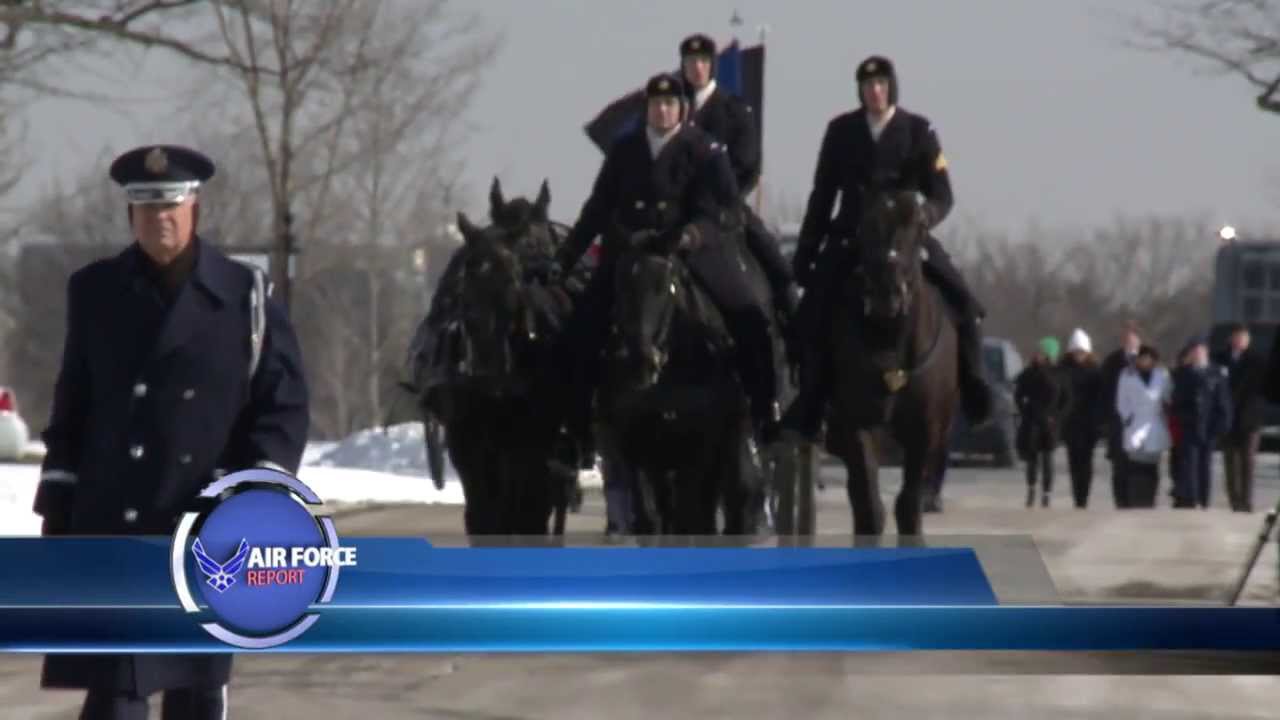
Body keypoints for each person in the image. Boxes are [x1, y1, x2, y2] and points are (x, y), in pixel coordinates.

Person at [31, 145, 311, 720]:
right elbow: (73, 404)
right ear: (129, 215)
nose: (159, 216)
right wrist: (57, 506)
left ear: (195, 209)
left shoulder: (245, 296)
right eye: (145, 204)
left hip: (205, 531)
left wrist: (254, 498)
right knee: (114, 698)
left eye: (171, 204)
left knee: (195, 693)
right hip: (113, 527)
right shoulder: (95, 291)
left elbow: (282, 409)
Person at [553, 72, 782, 451]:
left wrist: (693, 235)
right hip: (633, 256)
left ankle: (763, 410)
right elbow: (597, 209)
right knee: (582, 326)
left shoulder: (705, 150)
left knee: (749, 316)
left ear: (683, 109)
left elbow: (726, 211)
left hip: (697, 252)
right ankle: (576, 427)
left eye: (670, 104)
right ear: (646, 109)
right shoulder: (626, 150)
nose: (662, 111)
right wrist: (565, 258)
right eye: (656, 104)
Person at [780, 55, 992, 441]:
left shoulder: (918, 130)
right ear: (859, 90)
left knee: (963, 301)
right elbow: (823, 194)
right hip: (852, 238)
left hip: (906, 237)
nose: (874, 91)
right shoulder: (841, 131)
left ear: (891, 87)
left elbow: (943, 194)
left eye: (881, 84)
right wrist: (807, 252)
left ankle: (975, 387)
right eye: (867, 85)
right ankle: (811, 401)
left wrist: (925, 214)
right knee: (811, 314)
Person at [677, 33, 801, 331]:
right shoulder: (669, 109)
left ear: (712, 66)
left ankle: (794, 331)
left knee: (777, 265)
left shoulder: (734, 111)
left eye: (703, 61)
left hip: (723, 210)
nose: (697, 68)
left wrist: (722, 202)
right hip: (675, 212)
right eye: (691, 61)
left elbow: (748, 167)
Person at [1170, 336, 1232, 509]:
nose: (1198, 354)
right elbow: (1177, 401)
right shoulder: (1182, 373)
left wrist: (1222, 424)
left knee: (1205, 465)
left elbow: (1223, 402)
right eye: (1194, 351)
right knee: (1190, 464)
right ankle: (1191, 498)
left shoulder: (1217, 373)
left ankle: (1204, 499)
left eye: (1201, 350)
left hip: (1209, 426)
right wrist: (1184, 418)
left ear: (1206, 352)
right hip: (1189, 425)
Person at [1213, 323, 1266, 512]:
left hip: (1250, 417)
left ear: (1248, 340)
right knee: (1231, 462)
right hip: (1227, 417)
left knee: (1248, 460)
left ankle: (1246, 500)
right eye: (1237, 337)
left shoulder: (1257, 360)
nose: (1240, 341)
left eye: (1244, 337)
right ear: (1231, 339)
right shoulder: (1220, 358)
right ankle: (1234, 500)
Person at [1014, 337, 1070, 508]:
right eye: (1037, 351)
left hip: (1049, 422)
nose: (1038, 354)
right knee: (1031, 458)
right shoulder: (1028, 372)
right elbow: (1018, 395)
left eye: (1042, 352)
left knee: (1047, 459)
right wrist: (1024, 411)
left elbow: (1066, 399)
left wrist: (1057, 416)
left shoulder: (1058, 374)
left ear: (1049, 355)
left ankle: (1046, 494)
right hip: (1031, 421)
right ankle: (1031, 489)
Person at [1115, 345, 1171, 508]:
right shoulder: (1127, 375)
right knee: (1135, 465)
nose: (1145, 361)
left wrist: (1166, 413)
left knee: (1152, 466)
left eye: (1148, 358)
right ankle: (1136, 499)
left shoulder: (1162, 375)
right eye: (1142, 358)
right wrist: (1128, 418)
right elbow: (1121, 400)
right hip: (1136, 423)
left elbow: (1168, 397)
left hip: (1154, 424)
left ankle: (1150, 499)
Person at [1058, 328, 1103, 508]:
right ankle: (1077, 498)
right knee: (1074, 462)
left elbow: (1100, 397)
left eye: (1082, 352)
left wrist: (1099, 422)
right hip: (1070, 423)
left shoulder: (1095, 371)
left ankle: (1083, 498)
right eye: (1076, 351)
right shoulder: (1063, 370)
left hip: (1088, 423)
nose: (1079, 355)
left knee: (1086, 462)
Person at [1099, 322, 1142, 508]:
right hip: (1118, 420)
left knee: (1139, 464)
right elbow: (1104, 392)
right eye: (1126, 340)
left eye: (1133, 341)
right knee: (1119, 464)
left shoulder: (1146, 360)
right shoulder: (1112, 362)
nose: (1129, 343)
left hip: (1140, 421)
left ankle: (1137, 499)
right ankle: (1121, 500)